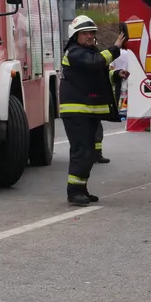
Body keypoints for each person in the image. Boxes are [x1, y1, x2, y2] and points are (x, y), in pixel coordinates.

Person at [59, 15, 124, 205]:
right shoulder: (74, 52)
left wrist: (116, 75)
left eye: (91, 33)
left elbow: (97, 73)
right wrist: (115, 48)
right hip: (77, 112)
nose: (89, 36)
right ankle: (74, 192)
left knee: (88, 152)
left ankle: (81, 189)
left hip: (87, 111)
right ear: (75, 36)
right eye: (85, 33)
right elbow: (94, 63)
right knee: (81, 151)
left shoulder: (88, 52)